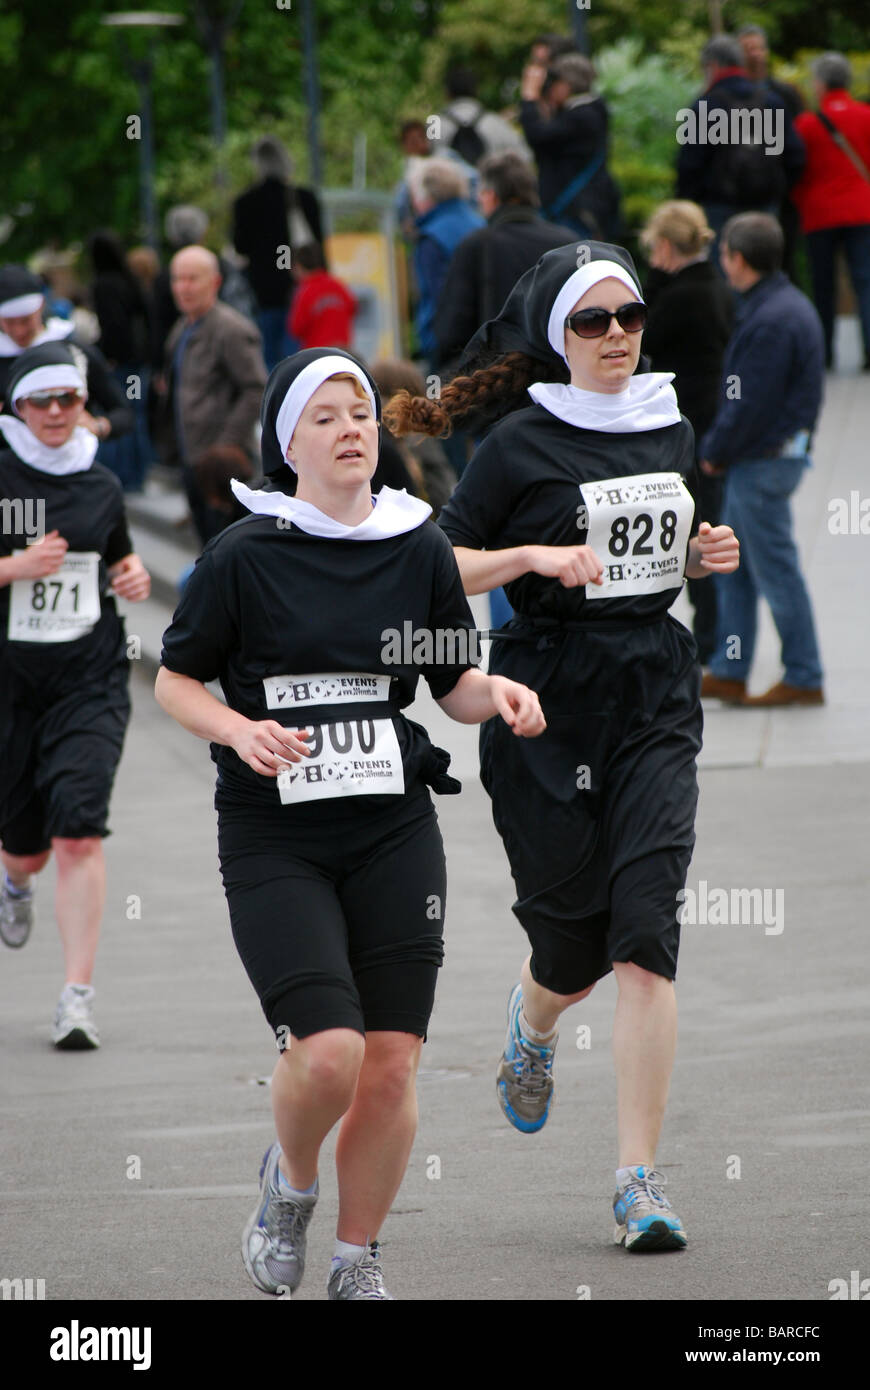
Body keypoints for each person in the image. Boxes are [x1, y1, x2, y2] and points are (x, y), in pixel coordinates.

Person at [154, 346, 545, 1299]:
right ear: (289, 441)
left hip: (389, 827)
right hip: (275, 832)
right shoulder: (245, 554)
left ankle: (354, 1258)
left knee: (391, 1065)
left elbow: (449, 686)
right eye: (324, 416)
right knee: (328, 1053)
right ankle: (289, 1190)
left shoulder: (415, 547)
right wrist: (240, 730)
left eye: (360, 412)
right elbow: (174, 678)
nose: (350, 429)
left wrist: (499, 693)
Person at [385, 241, 739, 1254]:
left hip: (655, 694)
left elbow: (670, 537)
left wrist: (703, 552)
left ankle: (637, 1179)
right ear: (558, 337)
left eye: (630, 315)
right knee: (575, 950)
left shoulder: (670, 421)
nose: (620, 334)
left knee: (645, 934)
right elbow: (438, 559)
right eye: (595, 321)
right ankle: (534, 1020)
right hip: (544, 698)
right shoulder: (517, 446)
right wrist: (533, 556)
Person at [0, 343, 151, 1045]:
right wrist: (16, 566)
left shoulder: (98, 481)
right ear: (17, 407)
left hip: (88, 677)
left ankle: (76, 997)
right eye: (42, 401)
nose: (58, 413)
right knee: (25, 848)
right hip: (11, 683)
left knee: (78, 829)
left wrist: (131, 574)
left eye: (69, 399)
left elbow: (116, 550)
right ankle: (15, 882)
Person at [699, 213, 825, 707]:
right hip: (770, 457)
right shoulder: (783, 304)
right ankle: (731, 669)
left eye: (726, 254)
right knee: (740, 568)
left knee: (775, 571)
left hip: (761, 461)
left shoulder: (770, 318)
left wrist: (713, 451)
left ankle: (804, 673)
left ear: (739, 259)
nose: (723, 263)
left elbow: (748, 404)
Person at [640, 201, 734, 663]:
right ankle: (715, 640)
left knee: (698, 534)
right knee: (709, 529)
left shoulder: (678, 295)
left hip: (690, 427)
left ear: (662, 246)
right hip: (714, 420)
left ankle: (709, 643)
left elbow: (644, 336)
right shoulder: (716, 286)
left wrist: (654, 278)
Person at [159, 246, 267, 547]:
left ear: (215, 282)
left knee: (226, 547)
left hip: (224, 467)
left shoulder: (231, 329)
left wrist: (224, 445)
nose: (183, 287)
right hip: (190, 459)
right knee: (204, 547)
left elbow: (256, 388)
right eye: (177, 279)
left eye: (193, 279)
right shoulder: (181, 329)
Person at [433, 151, 576, 370]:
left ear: (490, 195)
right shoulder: (569, 244)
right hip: (562, 378)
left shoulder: (476, 245)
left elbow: (450, 331)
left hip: (495, 383)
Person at [676, 35, 805, 260]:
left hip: (719, 207)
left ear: (712, 65)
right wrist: (777, 188)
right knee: (763, 268)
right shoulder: (771, 101)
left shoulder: (706, 105)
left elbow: (690, 164)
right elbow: (795, 155)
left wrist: (691, 201)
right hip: (765, 204)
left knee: (727, 273)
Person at [791, 53, 870, 371]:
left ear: (820, 84)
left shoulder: (806, 124)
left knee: (822, 285)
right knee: (865, 282)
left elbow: (795, 170)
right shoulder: (866, 116)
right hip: (862, 210)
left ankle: (824, 355)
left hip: (819, 213)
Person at [0, 264, 134, 444]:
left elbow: (123, 411)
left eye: (26, 320)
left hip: (73, 461)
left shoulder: (76, 351)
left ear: (40, 306)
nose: (19, 330)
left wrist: (98, 426)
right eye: (9, 322)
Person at [232, 136, 324, 370]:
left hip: (264, 290)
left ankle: (275, 401)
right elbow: (319, 242)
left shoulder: (246, 203)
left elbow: (240, 246)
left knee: (269, 352)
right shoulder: (304, 197)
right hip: (301, 285)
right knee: (301, 352)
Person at [519, 54, 620, 239]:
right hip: (579, 207)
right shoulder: (590, 111)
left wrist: (529, 98)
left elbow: (538, 137)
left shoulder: (581, 116)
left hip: (575, 212)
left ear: (566, 85)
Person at [736, 24, 805, 280]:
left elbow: (797, 148)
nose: (755, 54)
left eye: (759, 48)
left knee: (780, 263)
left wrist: (783, 183)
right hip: (737, 198)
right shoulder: (725, 96)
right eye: (748, 48)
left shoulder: (784, 95)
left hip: (779, 198)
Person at [432, 66, 530, 167]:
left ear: (447, 92)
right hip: (489, 180)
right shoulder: (494, 122)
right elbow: (524, 156)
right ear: (477, 91)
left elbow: (425, 158)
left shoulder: (434, 123)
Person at [288, 243, 357, 351]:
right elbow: (353, 308)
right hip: (343, 350)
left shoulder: (304, 291)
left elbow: (296, 328)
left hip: (316, 353)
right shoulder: (338, 285)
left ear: (299, 266)